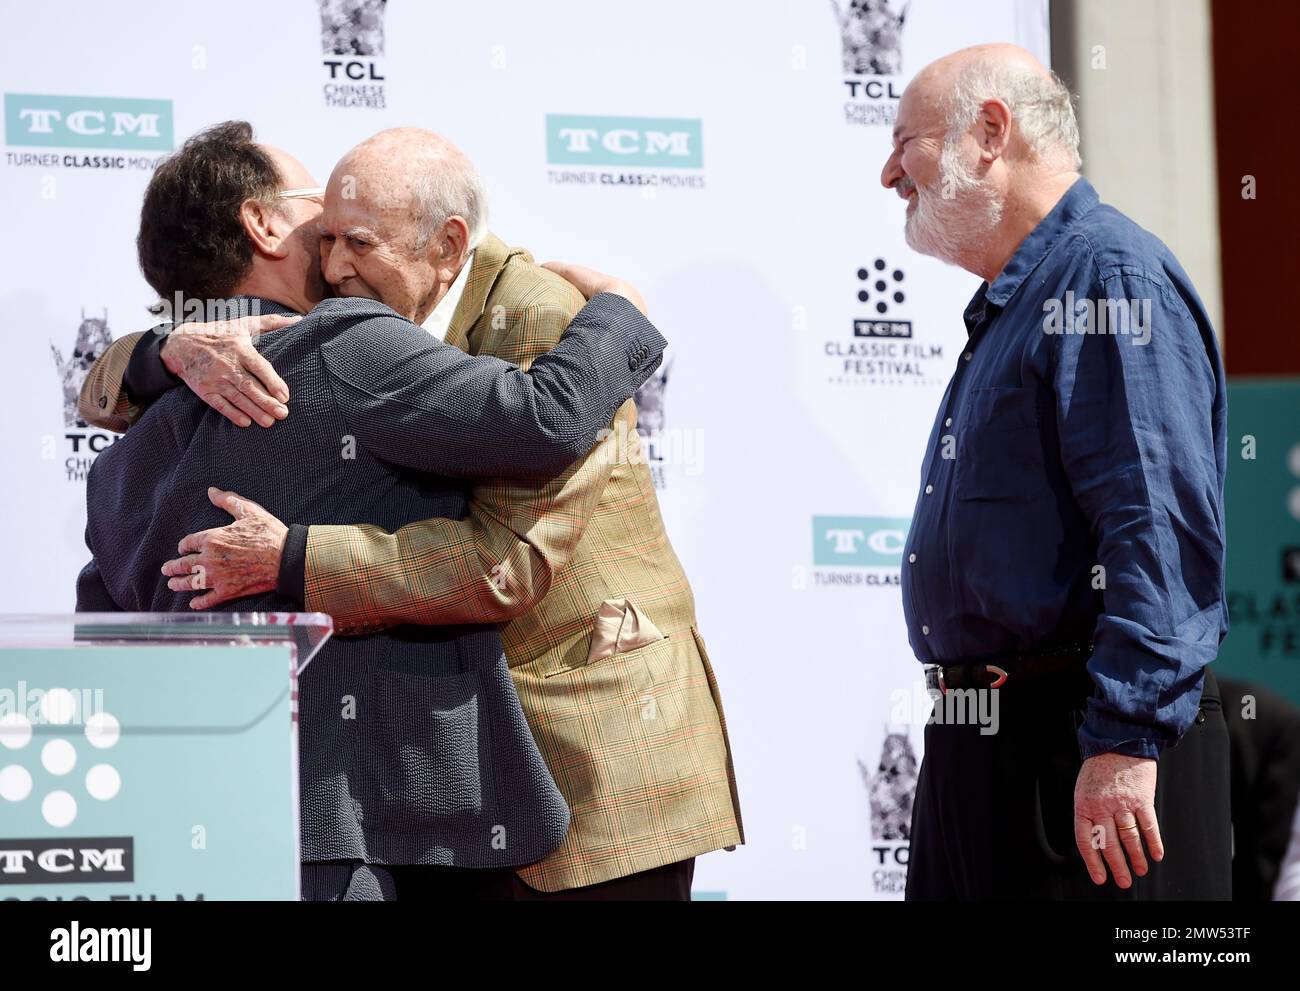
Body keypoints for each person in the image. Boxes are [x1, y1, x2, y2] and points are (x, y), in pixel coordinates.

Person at [80, 127, 743, 900]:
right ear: (262, 226)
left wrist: (288, 553)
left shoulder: (121, 464)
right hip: (397, 812)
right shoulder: (334, 343)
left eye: (353, 237)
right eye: (320, 232)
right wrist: (624, 313)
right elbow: (542, 420)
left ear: (447, 241)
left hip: (586, 769)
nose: (332, 263)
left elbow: (508, 560)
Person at [880, 45, 1230, 899]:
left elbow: (1157, 528)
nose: (888, 173)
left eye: (906, 143)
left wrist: (1124, 740)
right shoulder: (1019, 299)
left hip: (1085, 749)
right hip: (984, 747)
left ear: (990, 131)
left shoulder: (1108, 278)